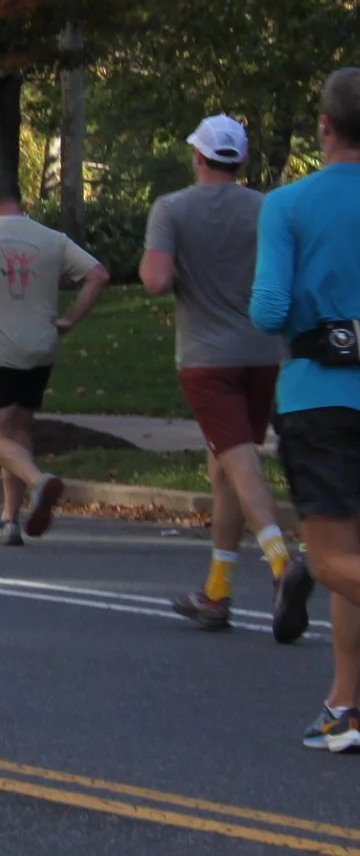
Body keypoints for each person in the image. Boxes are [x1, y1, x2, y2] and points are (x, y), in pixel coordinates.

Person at [145, 115, 302, 632]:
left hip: (206, 358)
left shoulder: (171, 209)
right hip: (263, 352)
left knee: (238, 461)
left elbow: (155, 280)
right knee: (224, 468)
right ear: (242, 160)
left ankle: (282, 563)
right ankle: (216, 592)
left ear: (197, 157)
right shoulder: (267, 207)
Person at [250, 69, 360, 750]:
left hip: (321, 395)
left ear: (324, 126)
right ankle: (344, 706)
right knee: (353, 556)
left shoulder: (288, 204)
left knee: (327, 559)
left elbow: (268, 310)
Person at [0, 172, 111, 546]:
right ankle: (9, 521)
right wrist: (70, 319)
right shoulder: (53, 239)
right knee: (17, 432)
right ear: (21, 200)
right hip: (42, 347)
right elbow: (98, 275)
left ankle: (39, 481)